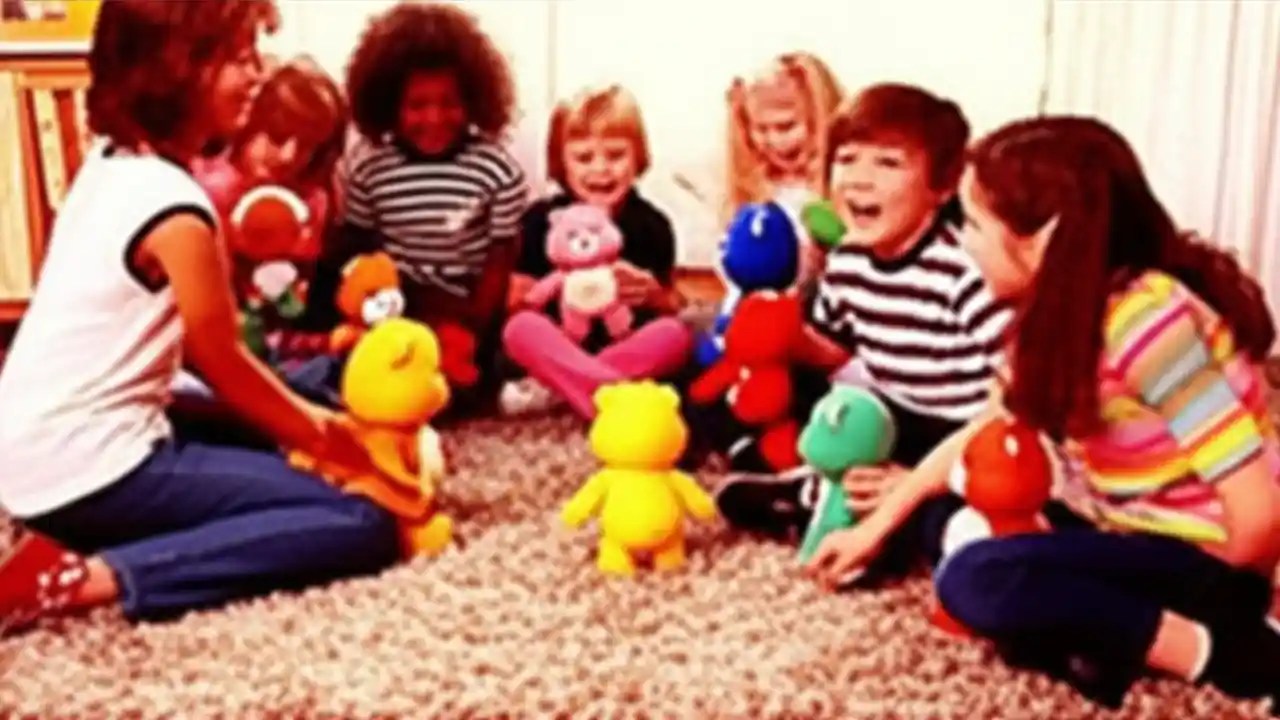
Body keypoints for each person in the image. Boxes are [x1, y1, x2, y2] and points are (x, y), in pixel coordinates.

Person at [806, 116, 1280, 710]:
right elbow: (988, 423)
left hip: (1210, 550)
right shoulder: (1054, 313)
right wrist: (873, 528)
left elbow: (1259, 516)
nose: (962, 242)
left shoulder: (1148, 321)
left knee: (975, 578)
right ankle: (1101, 642)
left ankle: (1214, 652)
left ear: (1044, 237)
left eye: (973, 225)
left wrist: (1221, 599)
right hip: (1126, 528)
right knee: (947, 513)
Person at [0, 0, 399, 636]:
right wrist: (323, 436)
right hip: (88, 473)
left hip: (32, 453)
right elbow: (221, 361)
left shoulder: (113, 163)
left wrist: (299, 413)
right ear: (174, 70)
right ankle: (84, 579)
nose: (258, 72)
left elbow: (187, 359)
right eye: (239, 58)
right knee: (359, 523)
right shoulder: (179, 210)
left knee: (293, 399)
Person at [710, 84, 1012, 582]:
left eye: (888, 164)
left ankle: (885, 514)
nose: (860, 180)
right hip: (892, 411)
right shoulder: (847, 260)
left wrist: (921, 478)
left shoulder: (960, 269)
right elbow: (835, 348)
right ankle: (821, 489)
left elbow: (1014, 394)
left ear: (941, 187)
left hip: (965, 429)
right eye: (847, 160)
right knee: (812, 403)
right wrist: (783, 335)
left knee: (954, 514)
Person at [314, 1, 529, 416]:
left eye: (449, 103)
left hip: (464, 311)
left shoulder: (495, 170)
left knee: (469, 381)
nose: (435, 118)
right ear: (389, 104)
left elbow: (499, 262)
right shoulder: (370, 168)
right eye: (417, 105)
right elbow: (359, 254)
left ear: (473, 98)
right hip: (394, 304)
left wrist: (474, 326)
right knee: (357, 369)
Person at [501, 84, 691, 419]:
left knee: (675, 336)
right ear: (563, 163)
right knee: (520, 330)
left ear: (639, 158)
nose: (600, 169)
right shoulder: (539, 221)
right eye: (584, 158)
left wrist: (654, 296)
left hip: (623, 345)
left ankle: (568, 390)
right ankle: (617, 398)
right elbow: (517, 302)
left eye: (616, 155)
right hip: (561, 343)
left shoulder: (652, 224)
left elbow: (672, 303)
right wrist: (526, 294)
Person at [724, 51, 843, 290]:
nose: (775, 141)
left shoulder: (839, 188)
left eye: (786, 126)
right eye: (761, 129)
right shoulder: (758, 192)